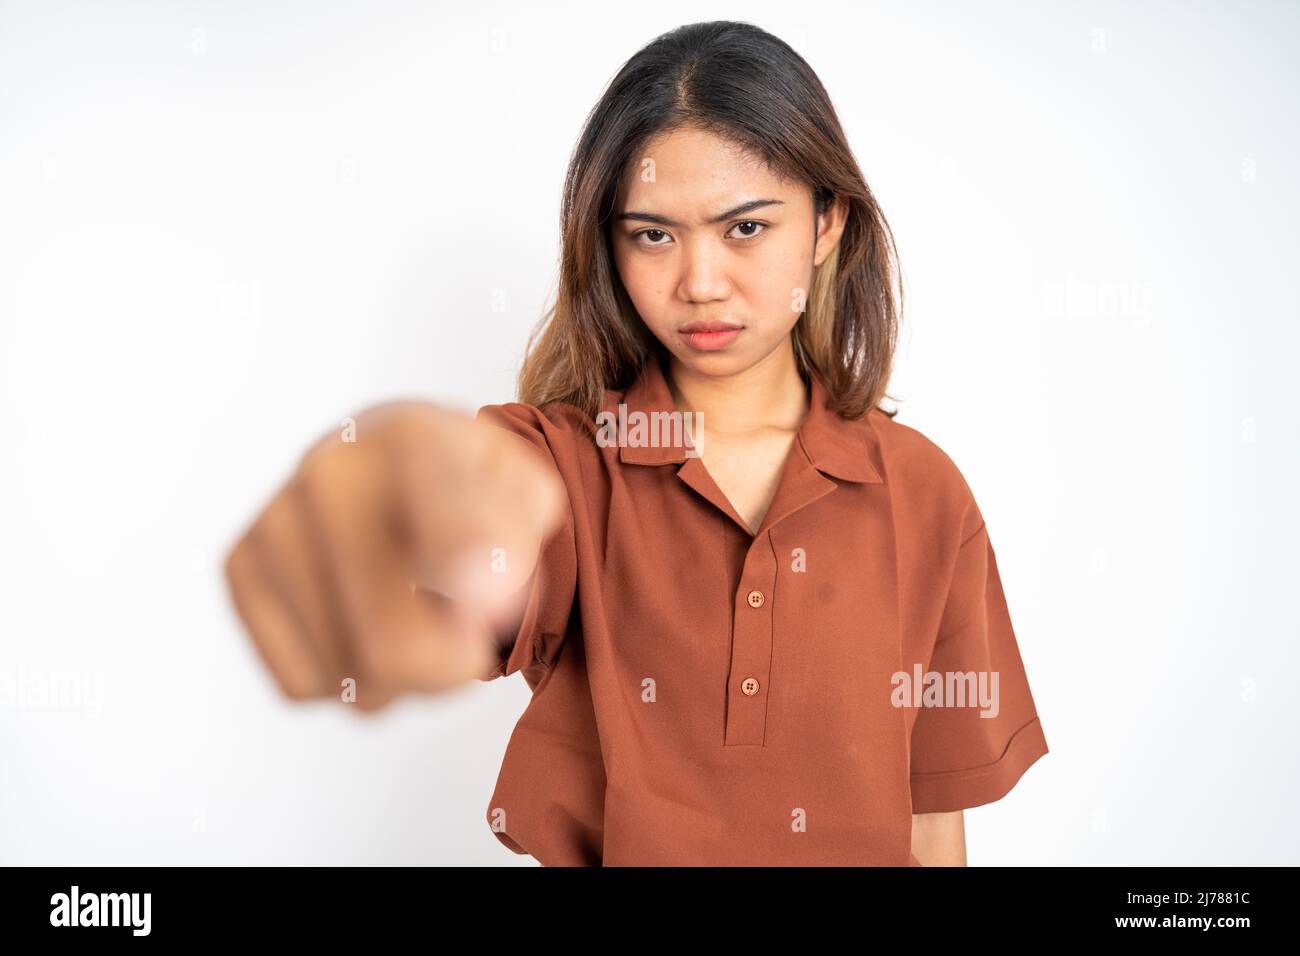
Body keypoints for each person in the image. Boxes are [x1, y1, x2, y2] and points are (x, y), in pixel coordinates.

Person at [223, 20, 1049, 867]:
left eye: (745, 228)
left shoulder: (923, 492)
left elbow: (934, 824)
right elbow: (472, 540)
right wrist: (391, 510)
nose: (698, 282)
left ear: (828, 220)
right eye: (653, 234)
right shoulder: (566, 466)